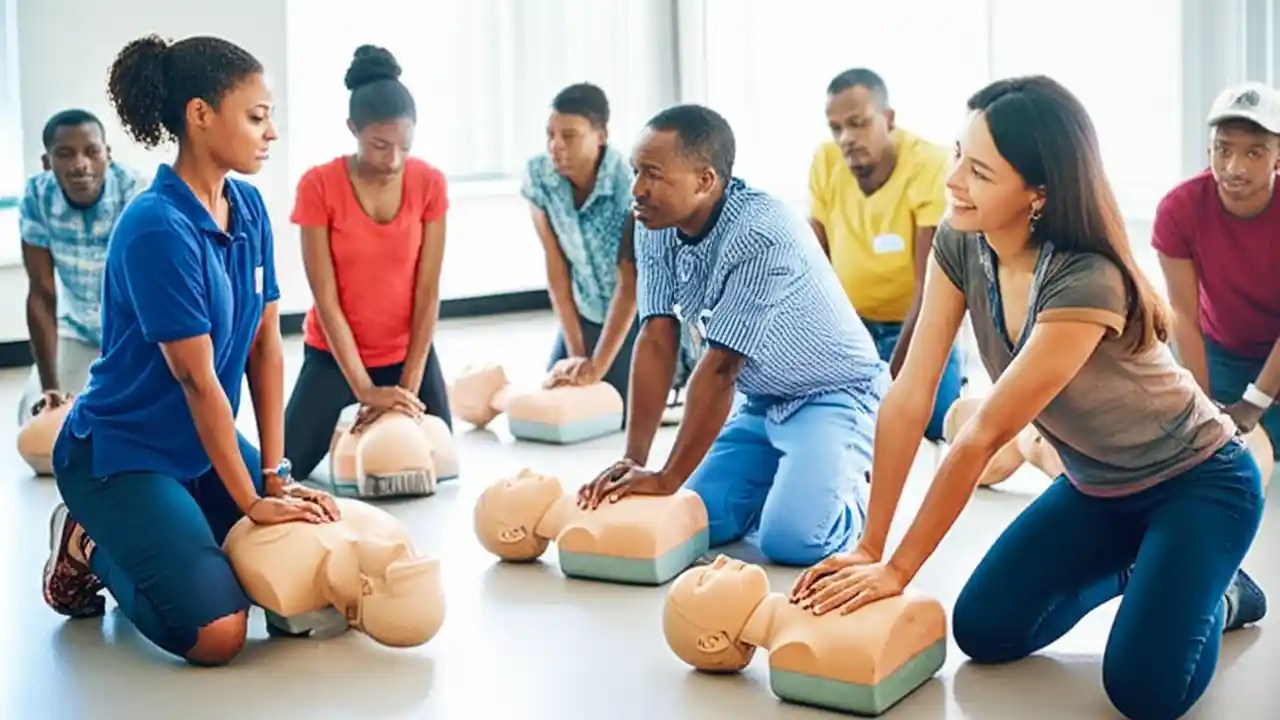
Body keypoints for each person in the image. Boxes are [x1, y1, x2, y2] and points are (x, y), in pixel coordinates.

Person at [790, 76, 1266, 720]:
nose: (952, 179)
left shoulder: (1084, 278)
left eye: (978, 171)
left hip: (1201, 485)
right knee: (986, 630)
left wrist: (899, 570)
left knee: (1145, 691)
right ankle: (1149, 569)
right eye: (958, 154)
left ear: (1037, 194)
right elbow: (909, 394)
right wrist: (870, 548)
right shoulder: (963, 242)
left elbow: (983, 433)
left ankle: (1222, 591)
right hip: (1098, 488)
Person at [41, 33, 339, 667]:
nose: (271, 133)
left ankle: (182, 533)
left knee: (310, 558)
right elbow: (199, 382)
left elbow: (266, 349)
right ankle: (85, 543)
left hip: (201, 447)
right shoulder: (155, 227)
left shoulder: (249, 208)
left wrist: (276, 476)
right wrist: (254, 503)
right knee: (219, 633)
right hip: (121, 453)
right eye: (257, 117)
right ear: (201, 115)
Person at [576, 104, 889, 567]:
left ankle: (847, 495)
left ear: (705, 181)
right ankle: (794, 483)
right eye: (635, 172)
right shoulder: (654, 220)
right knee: (702, 521)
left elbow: (720, 368)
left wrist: (666, 478)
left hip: (835, 392)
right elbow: (657, 337)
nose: (637, 190)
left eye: (654, 175)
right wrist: (634, 460)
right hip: (760, 399)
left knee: (794, 543)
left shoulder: (762, 233)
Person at [283, 45, 451, 480]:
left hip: (406, 354)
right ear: (353, 129)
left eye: (404, 147)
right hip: (335, 357)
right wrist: (364, 391)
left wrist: (407, 391)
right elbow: (326, 298)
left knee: (437, 463)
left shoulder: (429, 182)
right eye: (379, 145)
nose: (393, 160)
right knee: (286, 466)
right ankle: (344, 434)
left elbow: (428, 290)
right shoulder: (318, 185)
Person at [523, 82, 693, 423]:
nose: (555, 146)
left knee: (620, 412)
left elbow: (629, 282)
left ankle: (678, 373)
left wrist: (597, 366)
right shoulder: (539, 175)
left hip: (639, 314)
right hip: (585, 309)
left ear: (601, 136)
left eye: (569, 136)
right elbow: (556, 268)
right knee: (559, 403)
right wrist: (577, 357)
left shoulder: (629, 184)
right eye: (550, 135)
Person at [808, 68, 962, 440]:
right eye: (836, 127)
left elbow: (930, 285)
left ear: (888, 119)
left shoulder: (928, 164)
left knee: (933, 421)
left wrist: (890, 383)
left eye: (858, 123)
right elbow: (814, 269)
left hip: (918, 328)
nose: (846, 138)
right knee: (828, 420)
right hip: (851, 327)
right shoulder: (826, 163)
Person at [1153, 81, 1280, 460]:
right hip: (1223, 354)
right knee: (1196, 439)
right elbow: (1184, 317)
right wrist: (1203, 405)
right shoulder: (1179, 209)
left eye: (1254, 153)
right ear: (1209, 148)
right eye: (1223, 150)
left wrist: (1255, 402)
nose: (1234, 167)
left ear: (1278, 156)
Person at [17, 109, 145, 424]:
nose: (80, 165)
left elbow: (147, 289)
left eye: (91, 152)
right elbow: (42, 295)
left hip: (132, 335)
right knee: (35, 422)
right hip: (76, 333)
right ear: (47, 163)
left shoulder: (135, 192)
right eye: (65, 154)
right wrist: (51, 389)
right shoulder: (37, 196)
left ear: (107, 155)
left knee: (137, 422)